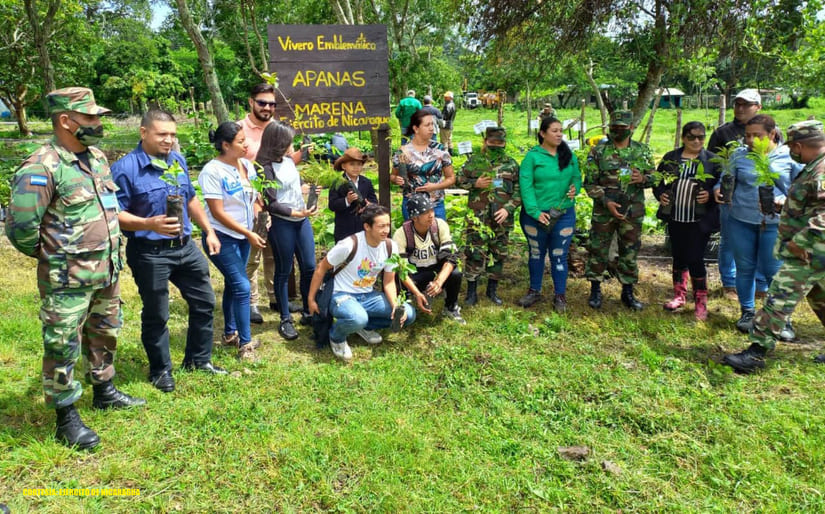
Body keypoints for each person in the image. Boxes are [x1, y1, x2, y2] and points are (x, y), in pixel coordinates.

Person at [5, 87, 145, 450]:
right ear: (66, 120)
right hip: (67, 278)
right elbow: (20, 229)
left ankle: (105, 390)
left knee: (105, 330)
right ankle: (65, 417)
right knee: (62, 343)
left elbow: (108, 207)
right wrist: (57, 255)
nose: (99, 123)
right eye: (91, 117)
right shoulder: (42, 166)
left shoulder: (97, 157)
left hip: (106, 270)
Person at [112, 109, 227, 394]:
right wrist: (148, 223)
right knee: (157, 313)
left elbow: (190, 199)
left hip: (185, 248)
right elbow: (113, 213)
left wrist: (208, 231)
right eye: (162, 134)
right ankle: (160, 370)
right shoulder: (126, 169)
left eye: (172, 134)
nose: (168, 140)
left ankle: (199, 360)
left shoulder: (177, 160)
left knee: (204, 301)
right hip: (150, 252)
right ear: (143, 133)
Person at [721, 120, 825, 373]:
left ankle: (756, 354)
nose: (790, 150)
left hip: (811, 250)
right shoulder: (814, 167)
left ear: (799, 145)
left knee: (778, 296)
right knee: (821, 296)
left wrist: (800, 243)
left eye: (792, 146)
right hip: (813, 249)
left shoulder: (821, 171)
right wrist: (785, 204)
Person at [713, 114, 802, 335]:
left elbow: (802, 188)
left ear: (772, 134)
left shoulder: (789, 157)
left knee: (773, 271)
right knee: (745, 267)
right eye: (748, 135)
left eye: (757, 135)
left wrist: (786, 199)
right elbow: (726, 177)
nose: (751, 140)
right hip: (741, 220)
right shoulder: (739, 155)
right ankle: (748, 312)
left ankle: (781, 319)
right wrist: (718, 188)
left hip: (775, 223)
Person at [307, 204, 419, 361]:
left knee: (408, 314)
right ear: (367, 226)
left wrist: (395, 304)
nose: (386, 230)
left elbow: (388, 282)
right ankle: (337, 336)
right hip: (341, 294)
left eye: (388, 225)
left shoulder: (389, 246)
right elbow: (321, 268)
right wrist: (311, 299)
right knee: (357, 318)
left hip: (367, 295)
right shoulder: (349, 244)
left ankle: (365, 326)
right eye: (381, 226)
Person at [198, 122, 266, 361]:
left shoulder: (247, 166)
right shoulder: (212, 171)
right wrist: (248, 233)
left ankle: (230, 333)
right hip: (221, 237)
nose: (246, 144)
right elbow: (217, 213)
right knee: (242, 286)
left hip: (244, 236)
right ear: (225, 145)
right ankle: (245, 345)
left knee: (233, 284)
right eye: (240, 141)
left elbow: (255, 199)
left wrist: (260, 220)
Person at [238, 83, 303, 324]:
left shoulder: (279, 129)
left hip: (280, 204)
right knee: (252, 255)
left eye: (272, 104)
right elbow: (234, 166)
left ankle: (276, 298)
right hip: (253, 202)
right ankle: (251, 302)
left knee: (274, 254)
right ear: (251, 102)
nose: (267, 108)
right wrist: (255, 199)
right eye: (262, 103)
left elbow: (287, 161)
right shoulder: (240, 129)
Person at [583, 110, 655, 310]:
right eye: (614, 127)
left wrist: (642, 179)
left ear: (631, 128)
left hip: (632, 212)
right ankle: (595, 290)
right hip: (604, 212)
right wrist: (605, 201)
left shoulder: (642, 151)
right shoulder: (598, 151)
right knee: (598, 250)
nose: (618, 131)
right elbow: (589, 183)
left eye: (622, 128)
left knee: (629, 251)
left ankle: (628, 292)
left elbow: (654, 177)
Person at [653, 121, 720, 321]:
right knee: (679, 255)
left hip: (699, 219)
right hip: (675, 216)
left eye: (701, 137)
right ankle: (679, 295)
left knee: (695, 257)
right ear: (683, 138)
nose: (696, 141)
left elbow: (719, 185)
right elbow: (658, 181)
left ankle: (700, 301)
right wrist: (661, 194)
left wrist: (709, 194)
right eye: (692, 137)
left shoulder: (713, 160)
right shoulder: (671, 158)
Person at [257, 122, 318, 341]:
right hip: (283, 222)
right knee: (284, 270)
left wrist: (310, 193)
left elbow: (297, 185)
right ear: (278, 143)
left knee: (309, 266)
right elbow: (271, 203)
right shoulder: (264, 167)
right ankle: (285, 319)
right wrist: (295, 212)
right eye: (289, 141)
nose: (292, 145)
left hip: (301, 220)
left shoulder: (288, 162)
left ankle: (309, 310)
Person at [517, 117, 580, 311]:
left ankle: (560, 295)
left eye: (561, 130)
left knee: (559, 255)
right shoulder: (532, 157)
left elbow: (577, 178)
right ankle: (534, 291)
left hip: (563, 214)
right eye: (554, 130)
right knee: (536, 253)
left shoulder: (568, 155)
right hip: (535, 216)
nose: (559, 134)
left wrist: (574, 189)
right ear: (543, 133)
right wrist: (535, 212)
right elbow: (525, 186)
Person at [708, 88, 765, 299]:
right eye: (737, 104)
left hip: (759, 196)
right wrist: (716, 187)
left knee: (762, 238)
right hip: (730, 195)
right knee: (729, 240)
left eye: (746, 104)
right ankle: (729, 283)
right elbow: (712, 163)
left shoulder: (771, 130)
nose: (740, 108)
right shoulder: (722, 133)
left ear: (758, 107)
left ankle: (760, 284)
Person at [457, 126, 521, 307]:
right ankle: (471, 292)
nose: (496, 146)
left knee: (498, 253)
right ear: (485, 141)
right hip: (478, 217)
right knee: (474, 252)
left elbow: (519, 191)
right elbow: (458, 180)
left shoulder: (512, 164)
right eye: (492, 142)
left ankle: (492, 290)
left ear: (505, 143)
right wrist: (474, 183)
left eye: (499, 143)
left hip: (502, 218)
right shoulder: (474, 162)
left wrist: (508, 208)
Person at [392, 194, 464, 323]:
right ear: (414, 217)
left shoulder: (439, 225)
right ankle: (405, 306)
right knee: (396, 276)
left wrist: (439, 282)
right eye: (425, 212)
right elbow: (401, 270)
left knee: (456, 273)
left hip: (436, 270)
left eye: (432, 210)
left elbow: (451, 257)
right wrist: (416, 292)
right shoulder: (401, 233)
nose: (431, 215)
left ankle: (451, 307)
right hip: (415, 273)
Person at [391, 109, 456, 220]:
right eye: (427, 125)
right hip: (412, 204)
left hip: (436, 203)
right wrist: (395, 179)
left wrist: (435, 186)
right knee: (413, 236)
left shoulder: (440, 150)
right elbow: (392, 175)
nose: (431, 128)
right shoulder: (403, 151)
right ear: (416, 128)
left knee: (438, 234)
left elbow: (451, 178)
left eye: (432, 124)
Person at [329, 147, 377, 242]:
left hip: (363, 227)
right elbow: (332, 205)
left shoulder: (366, 182)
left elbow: (374, 201)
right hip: (344, 229)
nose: (356, 167)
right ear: (343, 166)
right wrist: (347, 201)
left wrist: (369, 206)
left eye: (359, 164)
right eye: (352, 164)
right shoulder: (337, 182)